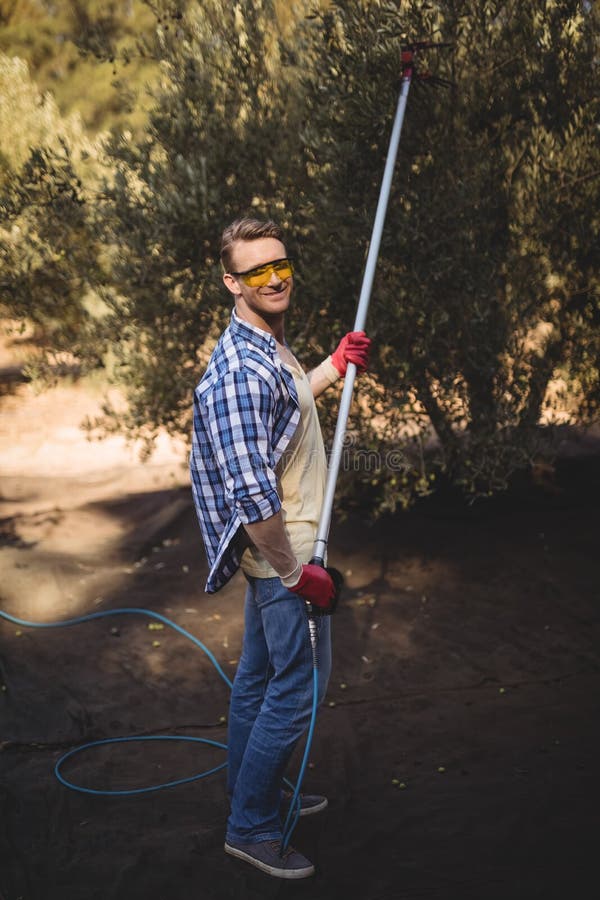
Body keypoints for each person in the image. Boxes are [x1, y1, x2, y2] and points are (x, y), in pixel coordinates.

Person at [190, 217, 370, 879]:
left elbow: (285, 403)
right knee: (296, 691)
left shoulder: (265, 342)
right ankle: (253, 827)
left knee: (258, 683)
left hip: (282, 554)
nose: (276, 276)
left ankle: (251, 792)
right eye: (257, 270)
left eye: (281, 263)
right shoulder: (238, 369)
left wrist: (334, 365)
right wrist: (297, 576)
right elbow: (251, 494)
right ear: (231, 281)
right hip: (282, 555)